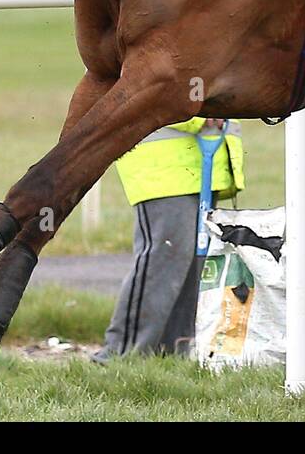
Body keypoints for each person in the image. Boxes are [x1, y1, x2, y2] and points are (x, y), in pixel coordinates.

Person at [93, 117, 244, 361]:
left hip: (204, 161)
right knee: (166, 259)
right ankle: (120, 355)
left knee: (194, 265)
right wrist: (205, 109)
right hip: (163, 169)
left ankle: (172, 355)